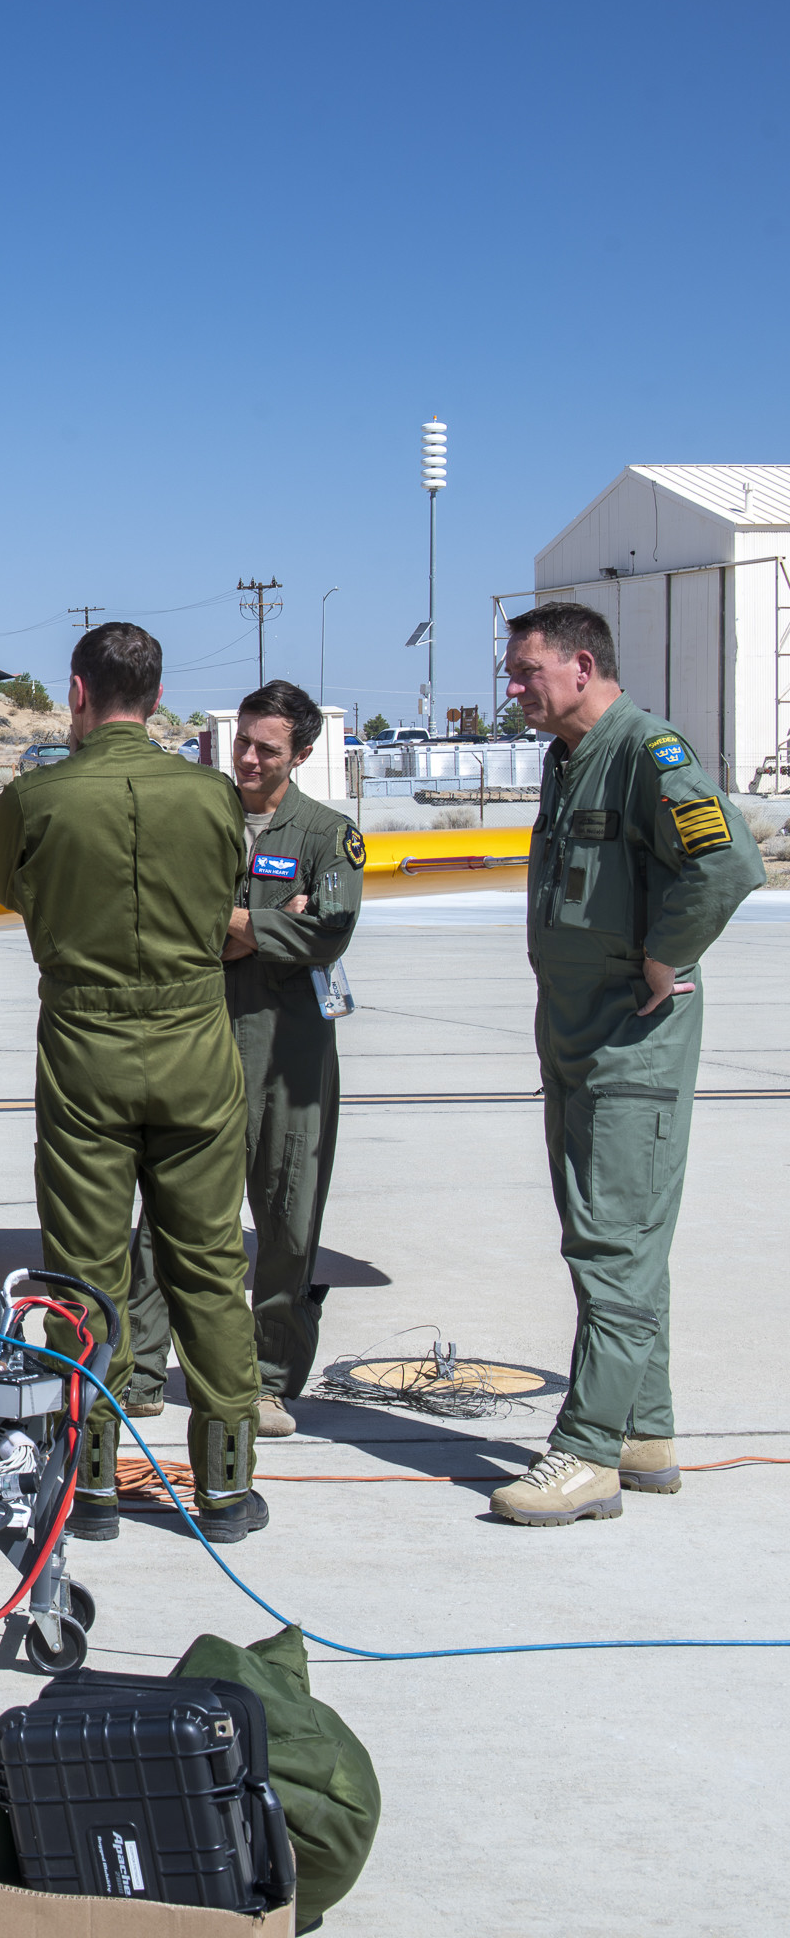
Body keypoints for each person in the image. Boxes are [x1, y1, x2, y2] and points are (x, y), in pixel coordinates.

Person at [0, 624, 266, 1543]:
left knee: (85, 1270)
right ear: (157, 691)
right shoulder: (214, 794)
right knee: (209, 1264)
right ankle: (225, 1485)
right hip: (194, 1045)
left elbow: (2, 881)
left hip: (86, 1045)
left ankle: (88, 1482)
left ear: (78, 691)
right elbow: (229, 890)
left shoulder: (39, 794)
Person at [489, 603, 759, 1525]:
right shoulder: (569, 760)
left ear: (582, 664)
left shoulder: (649, 752)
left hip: (629, 1043)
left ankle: (587, 1451)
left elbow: (724, 867)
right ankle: (644, 1430)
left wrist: (667, 952)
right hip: (576, 1037)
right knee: (619, 1242)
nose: (514, 687)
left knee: (612, 1244)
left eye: (526, 671)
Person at [123, 681, 362, 1437]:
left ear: (303, 755)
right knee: (173, 1207)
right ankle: (138, 1369)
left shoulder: (327, 834)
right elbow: (166, 917)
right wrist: (263, 921)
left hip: (290, 1052)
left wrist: (234, 925)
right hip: (198, 1039)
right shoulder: (199, 820)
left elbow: (329, 931)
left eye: (268, 749)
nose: (249, 760)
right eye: (243, 745)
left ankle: (266, 1379)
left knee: (288, 1215)